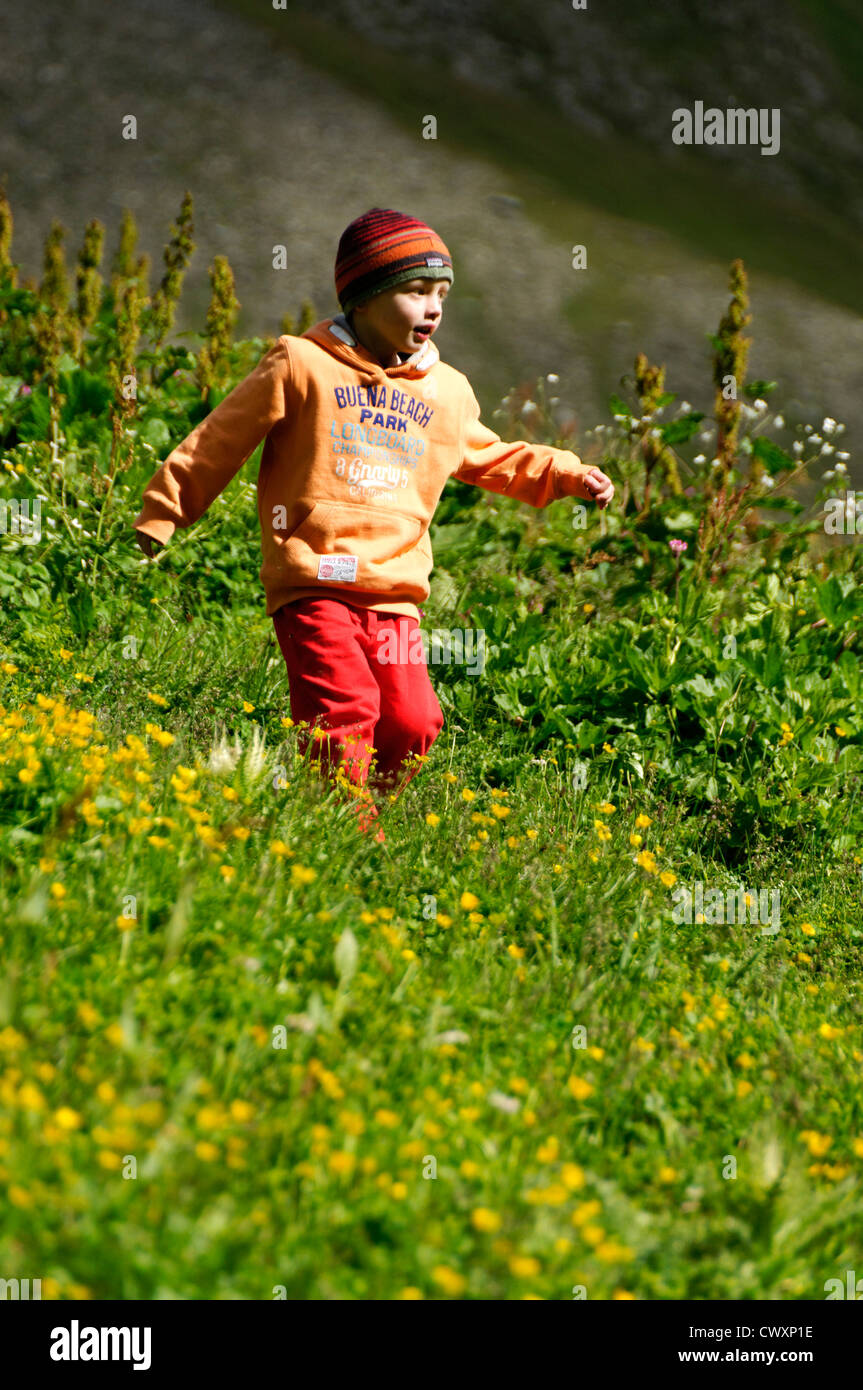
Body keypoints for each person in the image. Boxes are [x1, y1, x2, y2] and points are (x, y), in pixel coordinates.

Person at [134, 207, 614, 843]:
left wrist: (564, 473)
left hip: (395, 593)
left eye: (441, 294)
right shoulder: (300, 363)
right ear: (362, 297)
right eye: (415, 291)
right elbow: (218, 441)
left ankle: (336, 810)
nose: (433, 307)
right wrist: (165, 511)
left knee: (414, 724)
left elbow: (493, 456)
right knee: (346, 711)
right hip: (316, 579)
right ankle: (348, 832)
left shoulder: (446, 392)